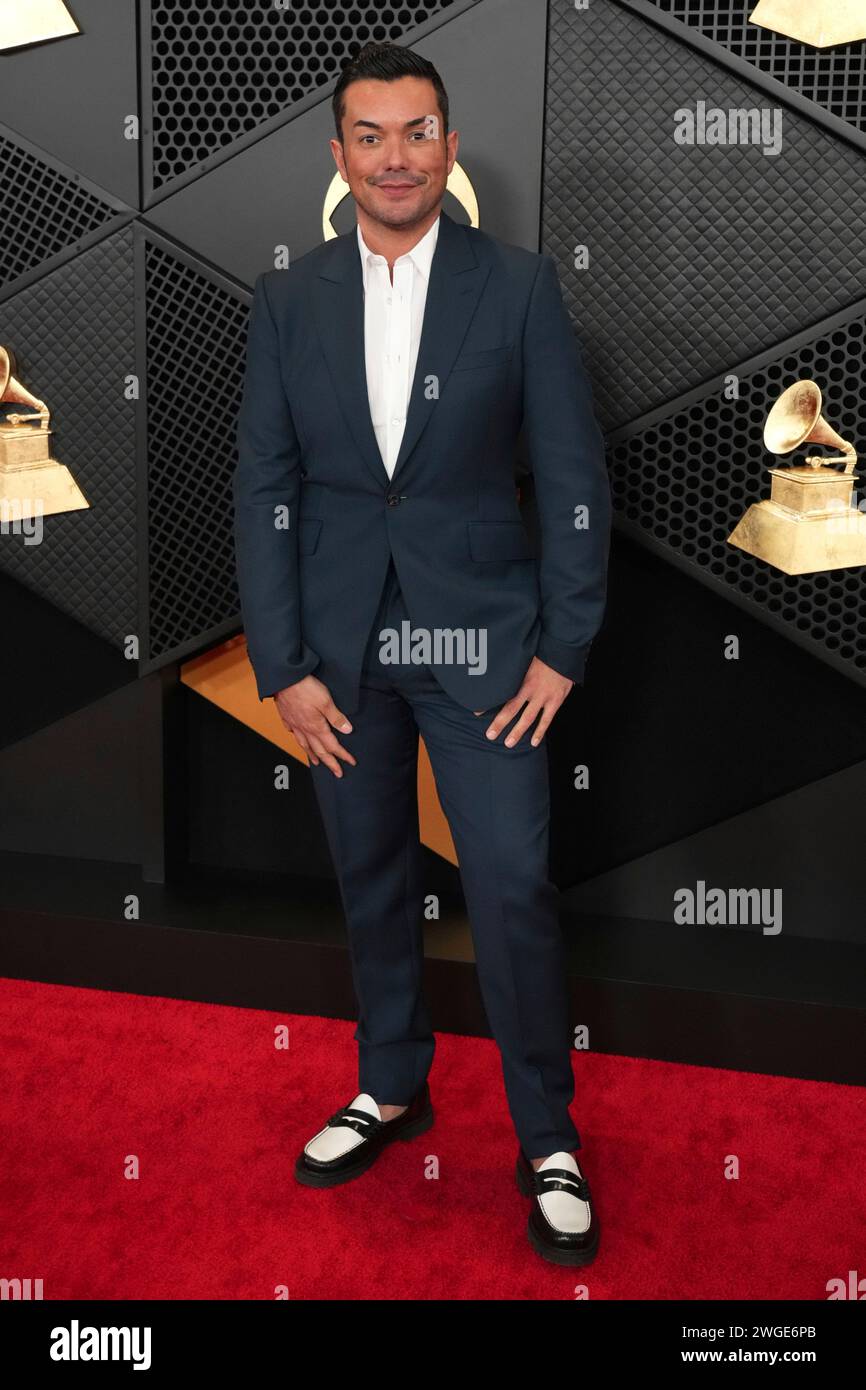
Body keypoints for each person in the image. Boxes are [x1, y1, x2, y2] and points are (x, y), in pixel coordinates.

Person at [233, 40, 611, 1266]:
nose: (396, 156)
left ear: (447, 145)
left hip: (486, 647)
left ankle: (546, 1135)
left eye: (418, 131)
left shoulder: (518, 288)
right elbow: (263, 490)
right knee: (370, 873)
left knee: (507, 886)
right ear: (339, 156)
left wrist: (561, 644)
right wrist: (283, 662)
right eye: (371, 135)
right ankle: (390, 1082)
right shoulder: (288, 301)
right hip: (339, 651)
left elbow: (569, 479)